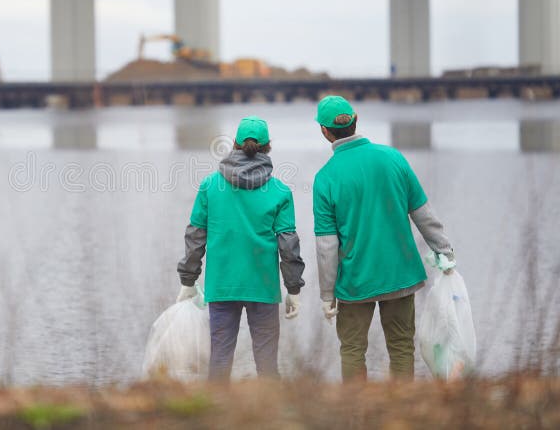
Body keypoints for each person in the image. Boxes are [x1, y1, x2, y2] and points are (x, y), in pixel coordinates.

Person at [312, 95, 456, 381]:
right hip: (400, 274)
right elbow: (423, 214)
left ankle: (356, 415)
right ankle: (400, 412)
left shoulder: (325, 178)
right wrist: (445, 252)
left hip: (355, 281)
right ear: (356, 121)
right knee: (402, 346)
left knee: (352, 349)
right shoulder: (393, 158)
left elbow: (327, 246)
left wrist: (327, 295)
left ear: (324, 131)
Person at [176, 116, 305, 381]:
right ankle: (270, 418)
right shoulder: (279, 191)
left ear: (234, 144)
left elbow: (195, 235)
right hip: (263, 287)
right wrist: (293, 288)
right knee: (267, 365)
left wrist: (188, 280)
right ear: (268, 147)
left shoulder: (211, 186)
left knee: (220, 362)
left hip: (222, 285)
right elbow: (288, 244)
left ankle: (217, 416)